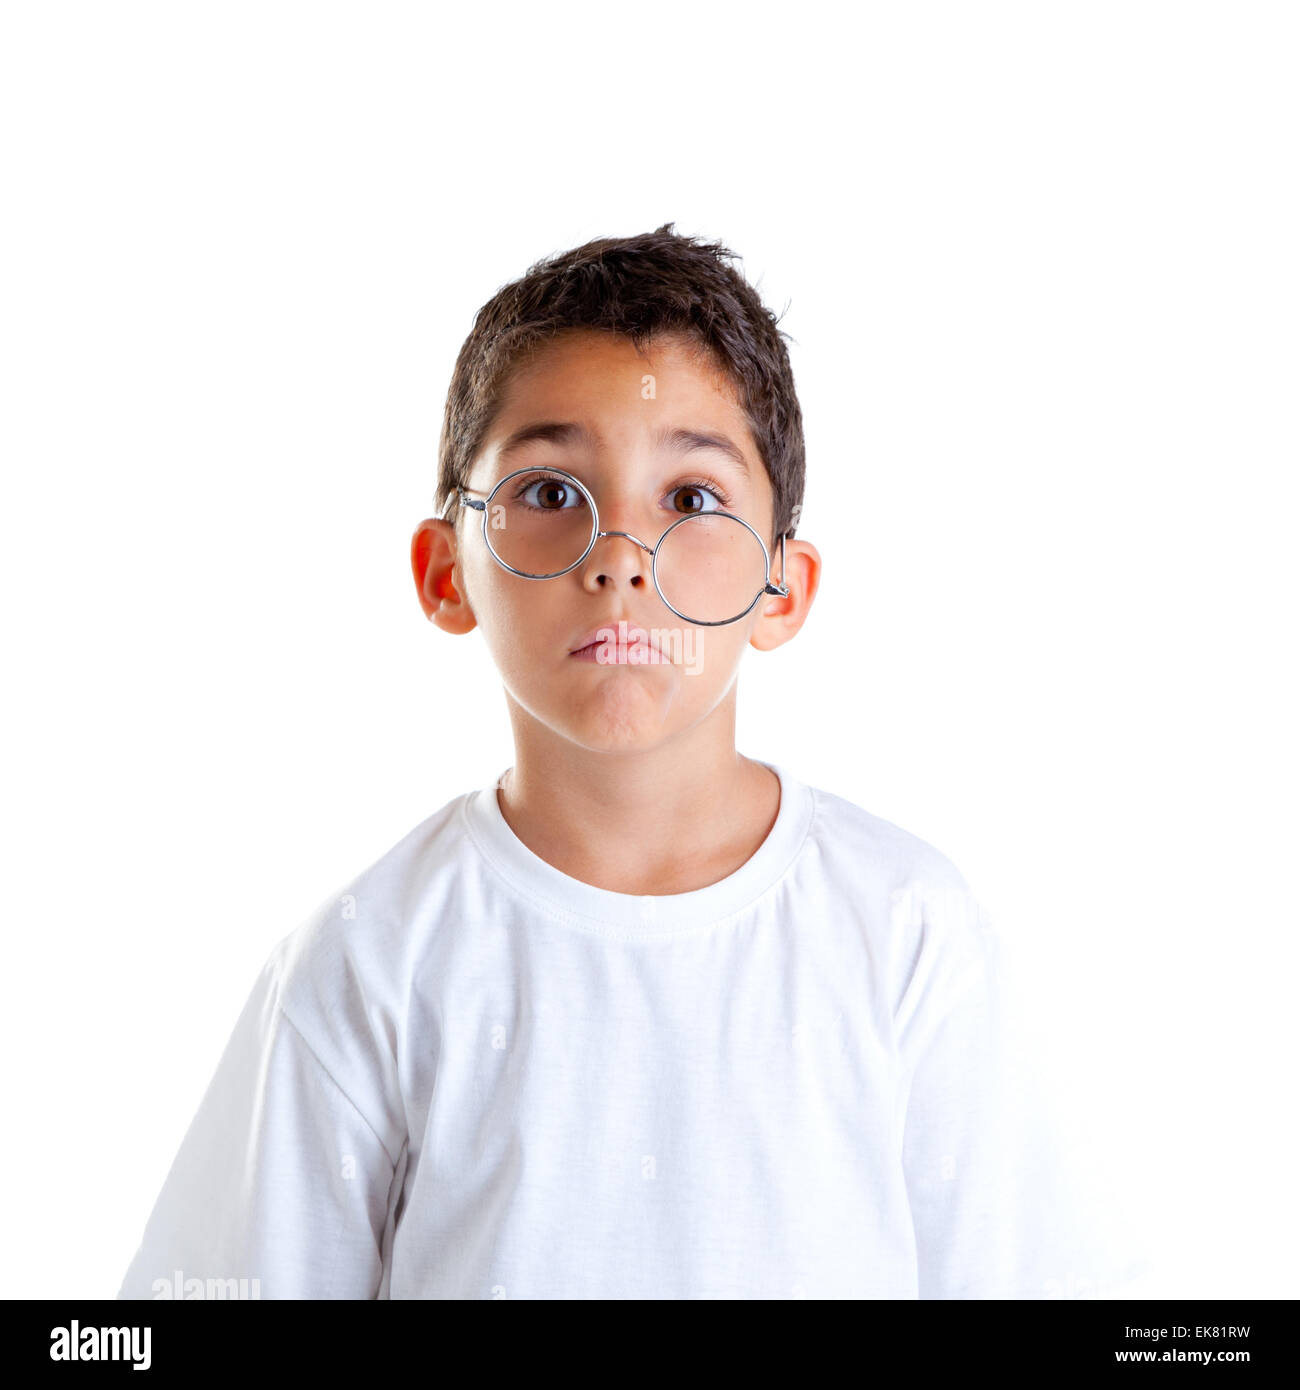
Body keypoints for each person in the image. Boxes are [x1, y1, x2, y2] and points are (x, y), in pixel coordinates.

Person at [117, 224, 1145, 1299]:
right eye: (552, 492)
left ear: (783, 589)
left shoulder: (905, 935)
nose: (619, 560)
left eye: (691, 500)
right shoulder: (368, 963)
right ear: (444, 572)